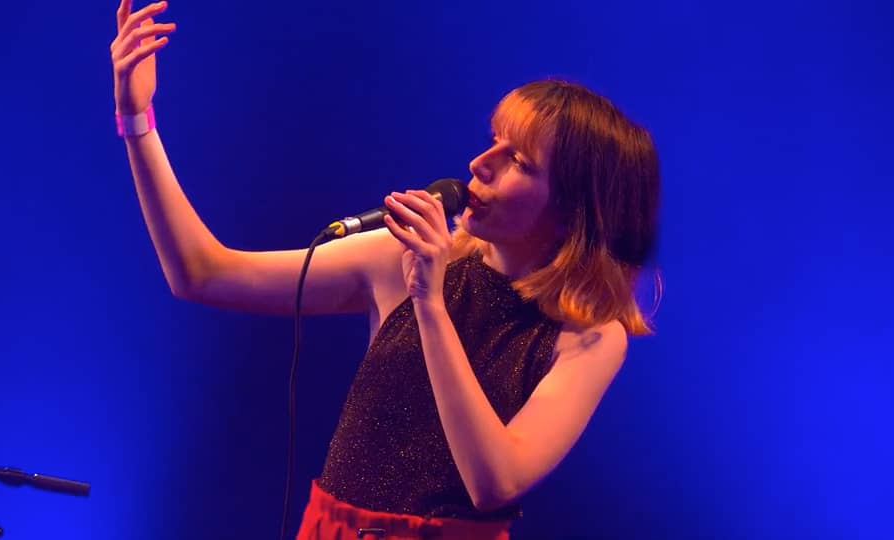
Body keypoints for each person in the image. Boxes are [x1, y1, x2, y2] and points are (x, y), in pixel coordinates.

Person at [110, 1, 661, 538]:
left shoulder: (589, 335)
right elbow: (201, 273)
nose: (479, 164)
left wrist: (430, 304)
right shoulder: (399, 258)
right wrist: (137, 121)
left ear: (574, 212)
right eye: (494, 141)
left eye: (517, 160)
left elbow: (495, 482)